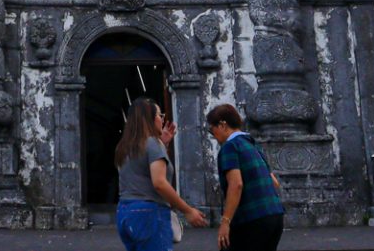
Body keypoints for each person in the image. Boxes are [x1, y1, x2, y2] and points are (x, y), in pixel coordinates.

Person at [114, 97, 208, 251]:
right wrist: (188, 210)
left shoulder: (124, 146)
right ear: (149, 119)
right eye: (159, 115)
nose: (163, 119)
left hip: (125, 212)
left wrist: (163, 145)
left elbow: (139, 171)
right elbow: (159, 183)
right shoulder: (152, 143)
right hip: (149, 213)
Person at [206, 104, 284, 250]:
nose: (214, 136)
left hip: (251, 218)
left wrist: (225, 222)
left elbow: (236, 185)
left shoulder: (230, 147)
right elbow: (274, 183)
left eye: (212, 130)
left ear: (223, 125)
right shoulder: (253, 145)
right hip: (275, 215)